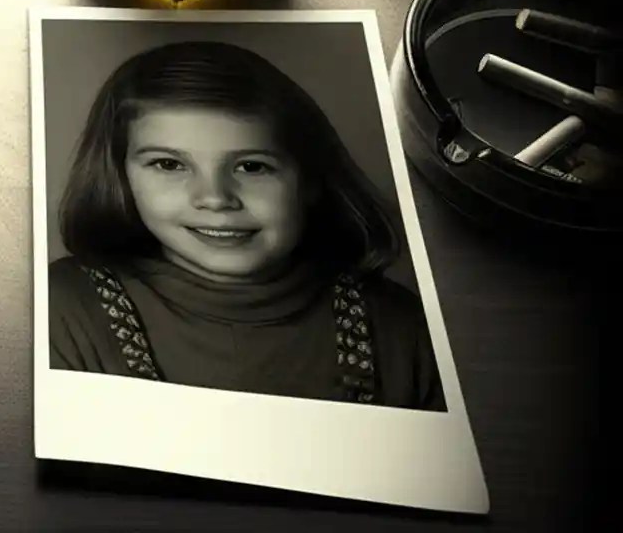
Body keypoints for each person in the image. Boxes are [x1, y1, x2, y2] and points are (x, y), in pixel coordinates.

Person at [48, 41, 446, 410]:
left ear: (309, 180)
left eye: (252, 166)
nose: (216, 198)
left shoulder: (403, 328)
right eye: (169, 164)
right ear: (122, 177)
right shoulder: (62, 310)